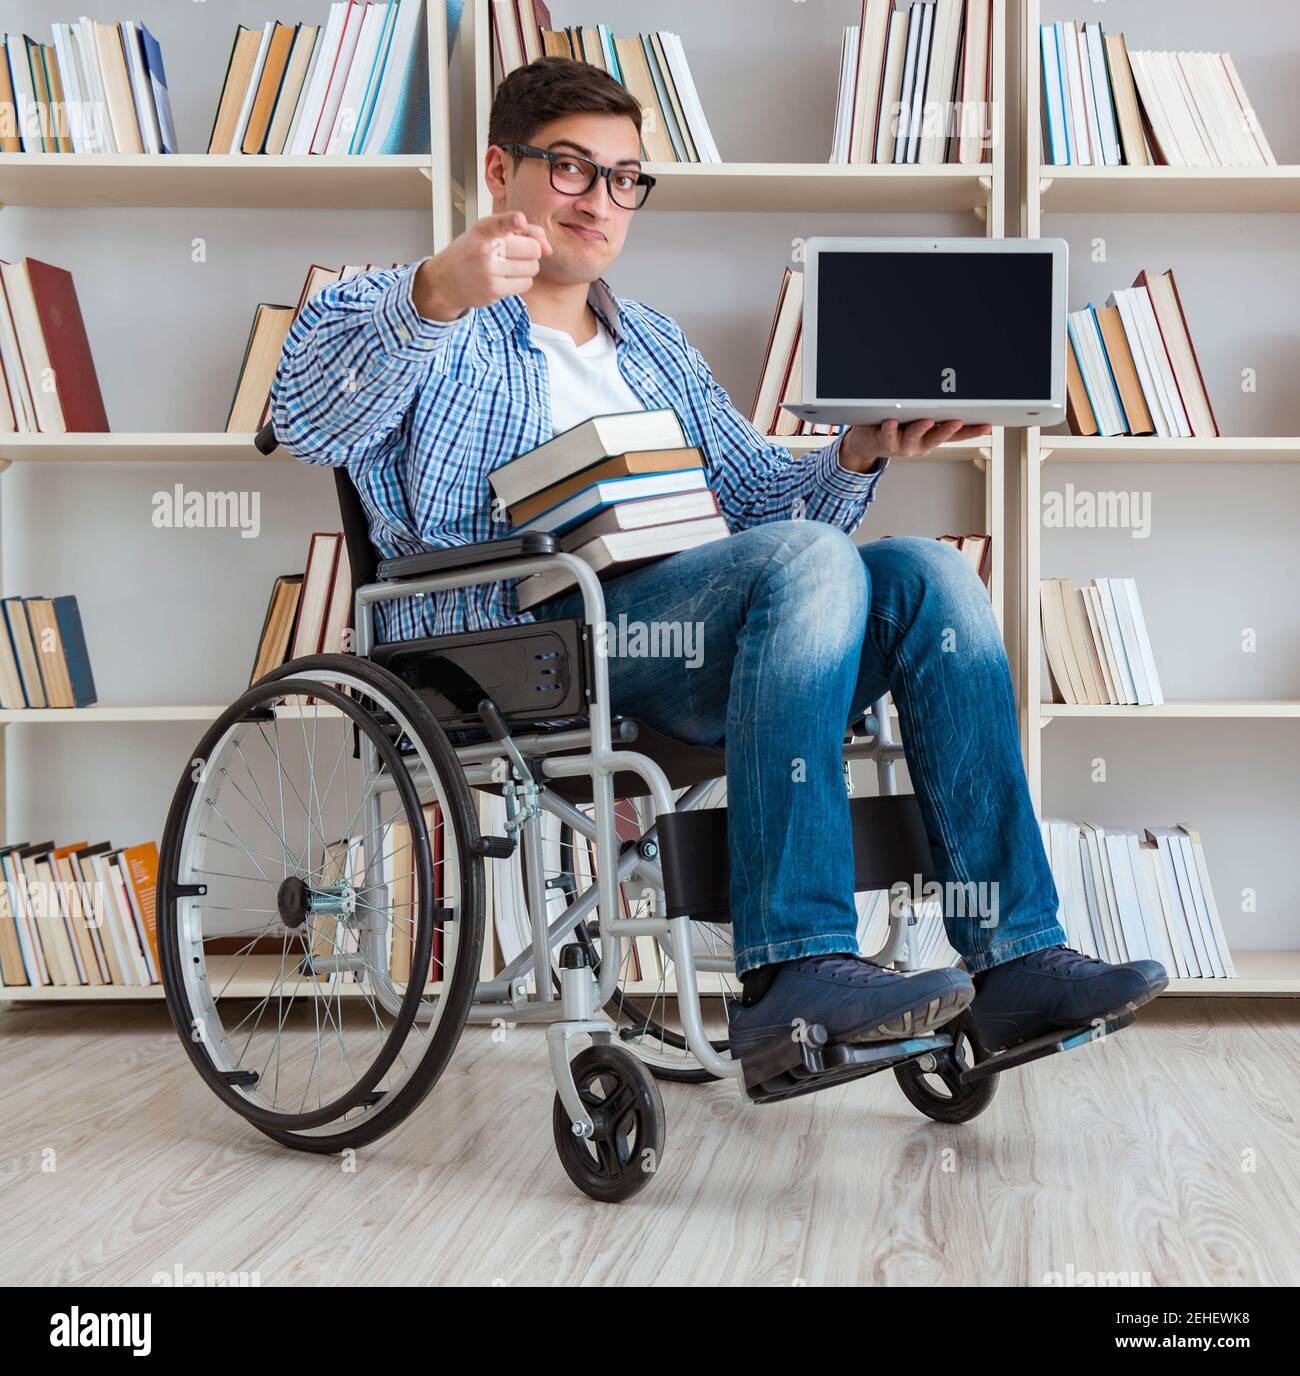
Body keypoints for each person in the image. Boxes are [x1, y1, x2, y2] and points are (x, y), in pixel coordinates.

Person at [270, 57, 1166, 1062]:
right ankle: (793, 966)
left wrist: (858, 450)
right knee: (809, 561)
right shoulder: (412, 311)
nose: (599, 201)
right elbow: (299, 420)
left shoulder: (652, 343)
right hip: (522, 644)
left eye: (623, 179)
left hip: (702, 630)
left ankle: (1014, 960)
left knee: (928, 576)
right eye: (570, 169)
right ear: (498, 169)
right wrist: (435, 292)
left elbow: (759, 502)